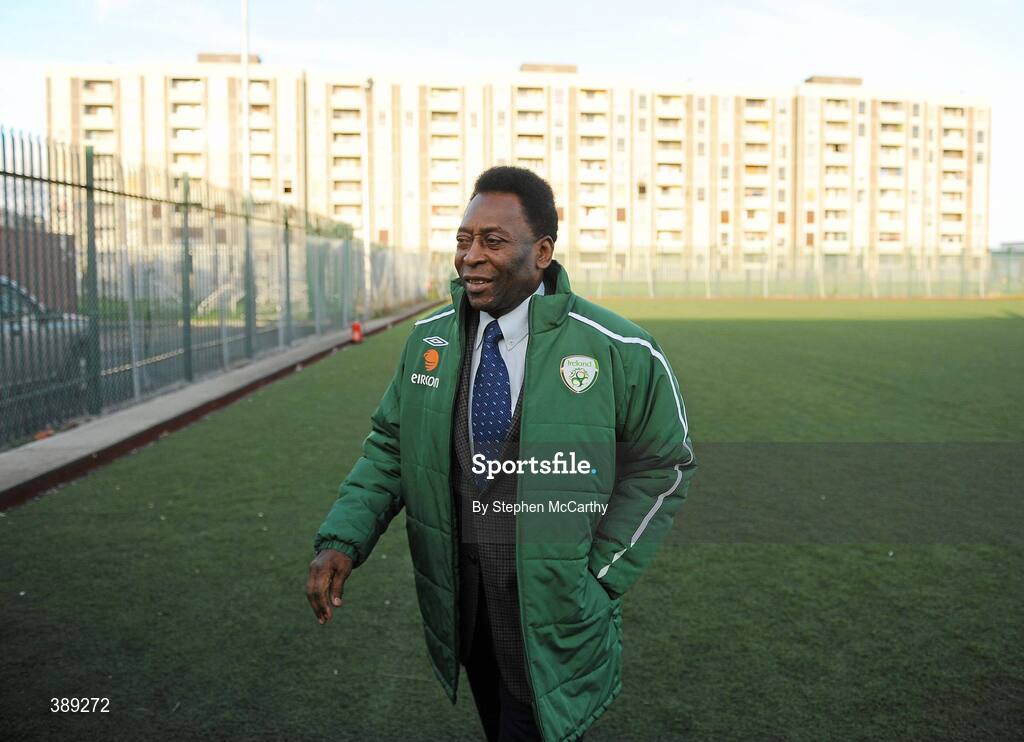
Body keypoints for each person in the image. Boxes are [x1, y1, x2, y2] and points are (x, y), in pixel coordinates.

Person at [307, 166, 696, 742]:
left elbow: (663, 464)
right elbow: (392, 447)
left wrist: (598, 575)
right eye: (464, 240)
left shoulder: (619, 349)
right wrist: (344, 537)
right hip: (465, 609)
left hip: (556, 611)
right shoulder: (429, 341)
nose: (470, 257)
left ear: (542, 253)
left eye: (493, 241)